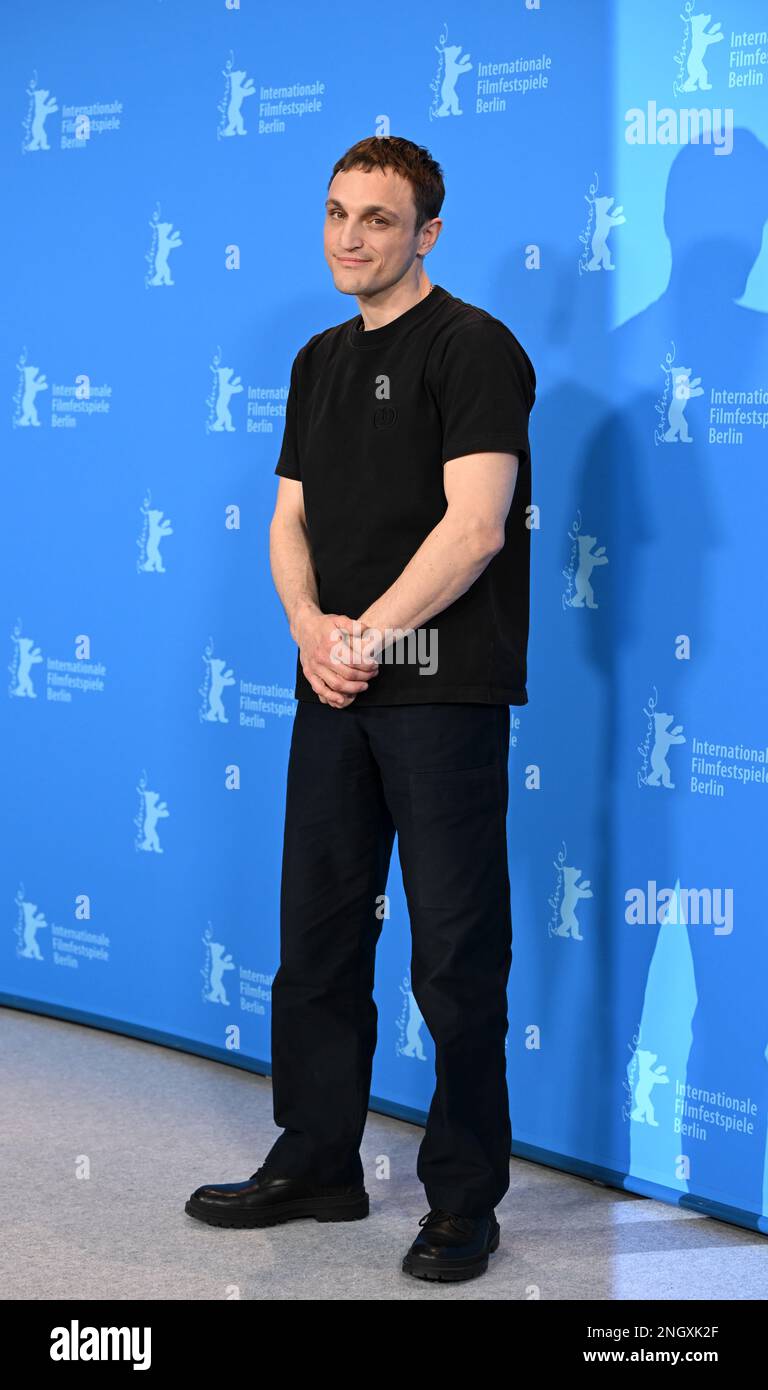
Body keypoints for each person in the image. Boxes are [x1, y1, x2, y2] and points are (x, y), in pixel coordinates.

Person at [186, 134, 536, 1284]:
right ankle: (319, 1157)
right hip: (331, 683)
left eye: (378, 219)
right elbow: (287, 518)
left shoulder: (476, 347)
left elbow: (475, 525)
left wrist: (366, 635)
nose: (351, 236)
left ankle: (465, 1201)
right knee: (319, 941)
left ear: (427, 232)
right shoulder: (315, 359)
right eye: (338, 213)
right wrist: (307, 628)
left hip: (441, 687)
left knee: (454, 953)